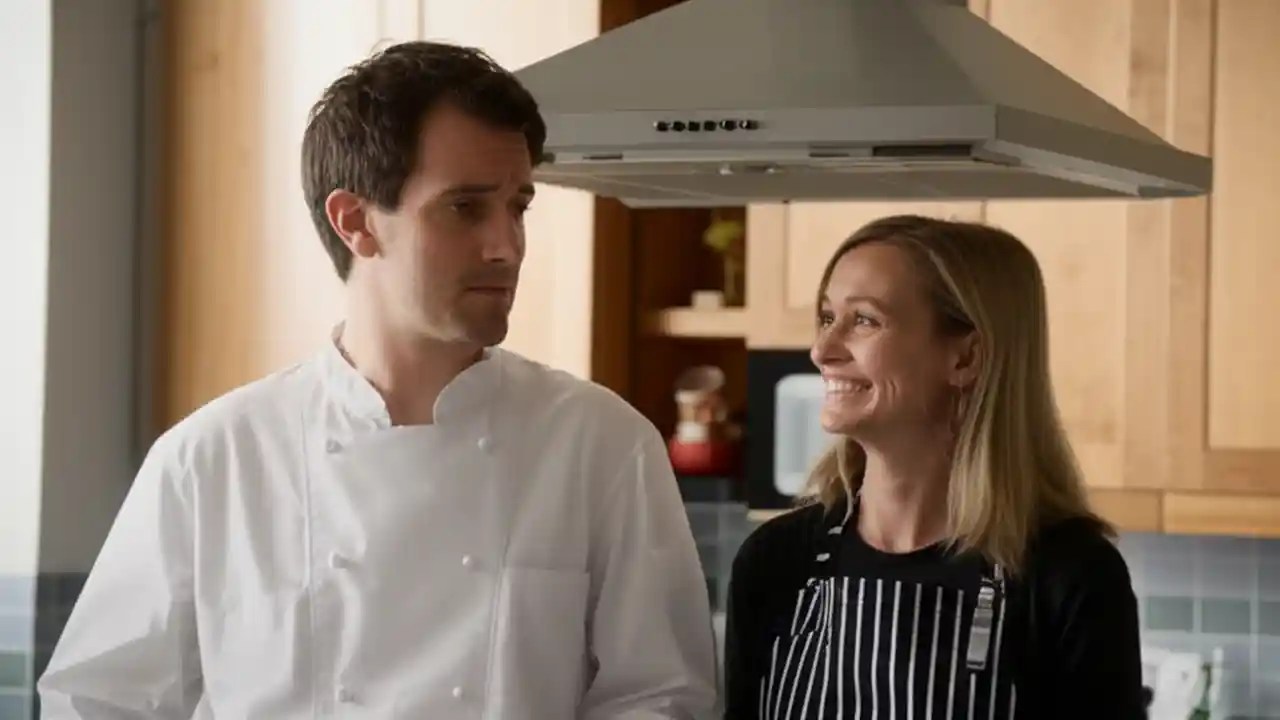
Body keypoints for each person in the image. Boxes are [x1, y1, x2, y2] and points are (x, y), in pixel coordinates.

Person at [39, 41, 717, 718]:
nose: (506, 245)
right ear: (356, 221)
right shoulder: (214, 460)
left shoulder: (600, 444)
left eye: (518, 206)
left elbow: (660, 699)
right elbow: (95, 703)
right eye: (465, 208)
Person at [722, 215, 1144, 719]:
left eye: (864, 320)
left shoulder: (1068, 577)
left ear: (965, 358)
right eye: (827, 317)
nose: (822, 350)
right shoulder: (776, 561)